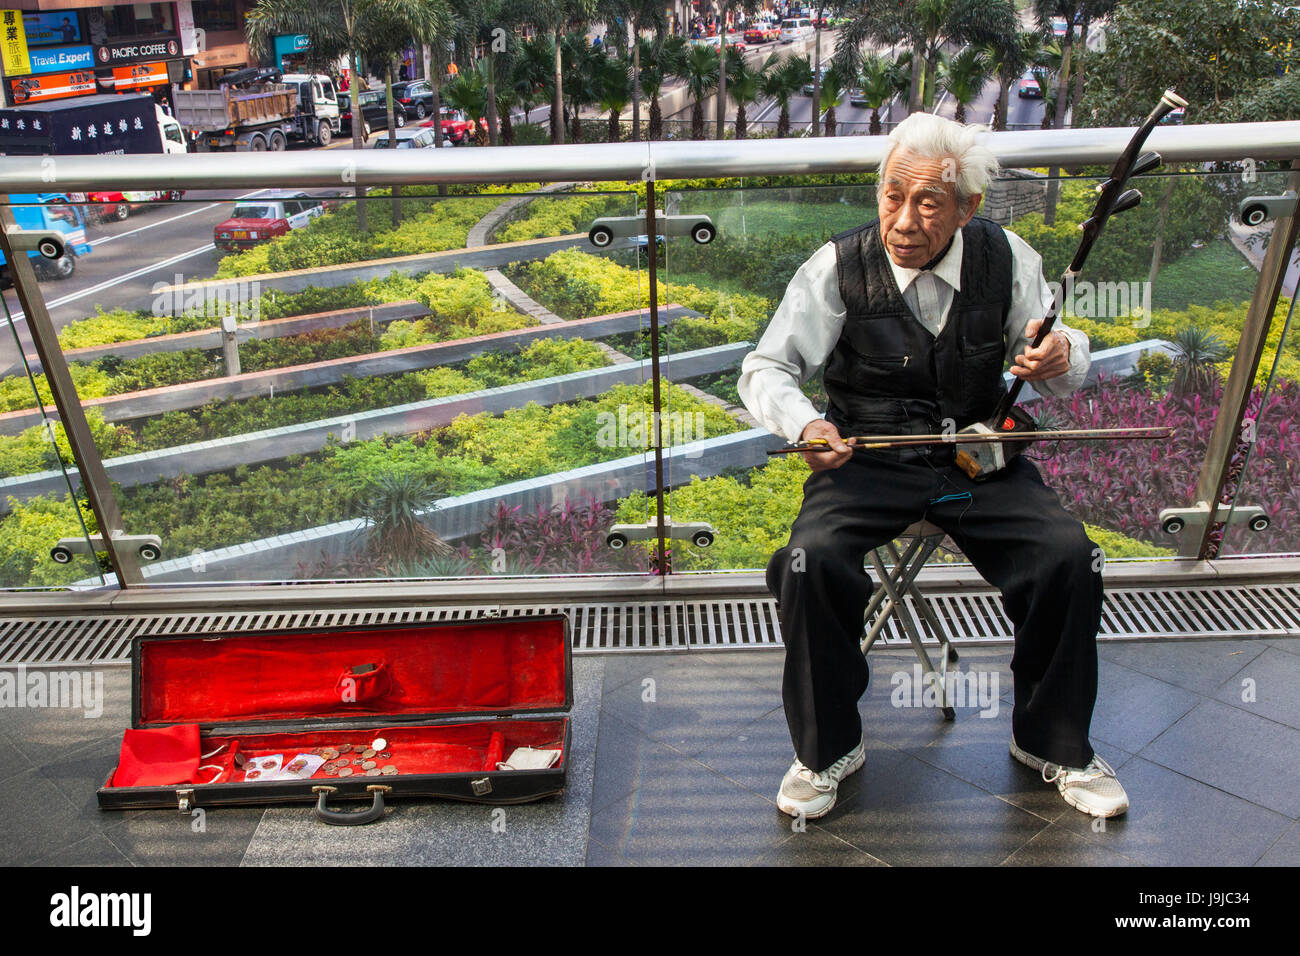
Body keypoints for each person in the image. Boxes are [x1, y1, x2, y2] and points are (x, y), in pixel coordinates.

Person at [738, 111, 1129, 822]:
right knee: (809, 560)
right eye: (894, 195)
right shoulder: (836, 266)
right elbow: (767, 366)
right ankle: (827, 747)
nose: (906, 220)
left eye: (929, 202)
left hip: (981, 456)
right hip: (867, 458)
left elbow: (1054, 346)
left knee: (1069, 556)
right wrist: (808, 423)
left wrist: (1061, 353)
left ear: (967, 207)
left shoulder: (1006, 256)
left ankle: (1052, 742)